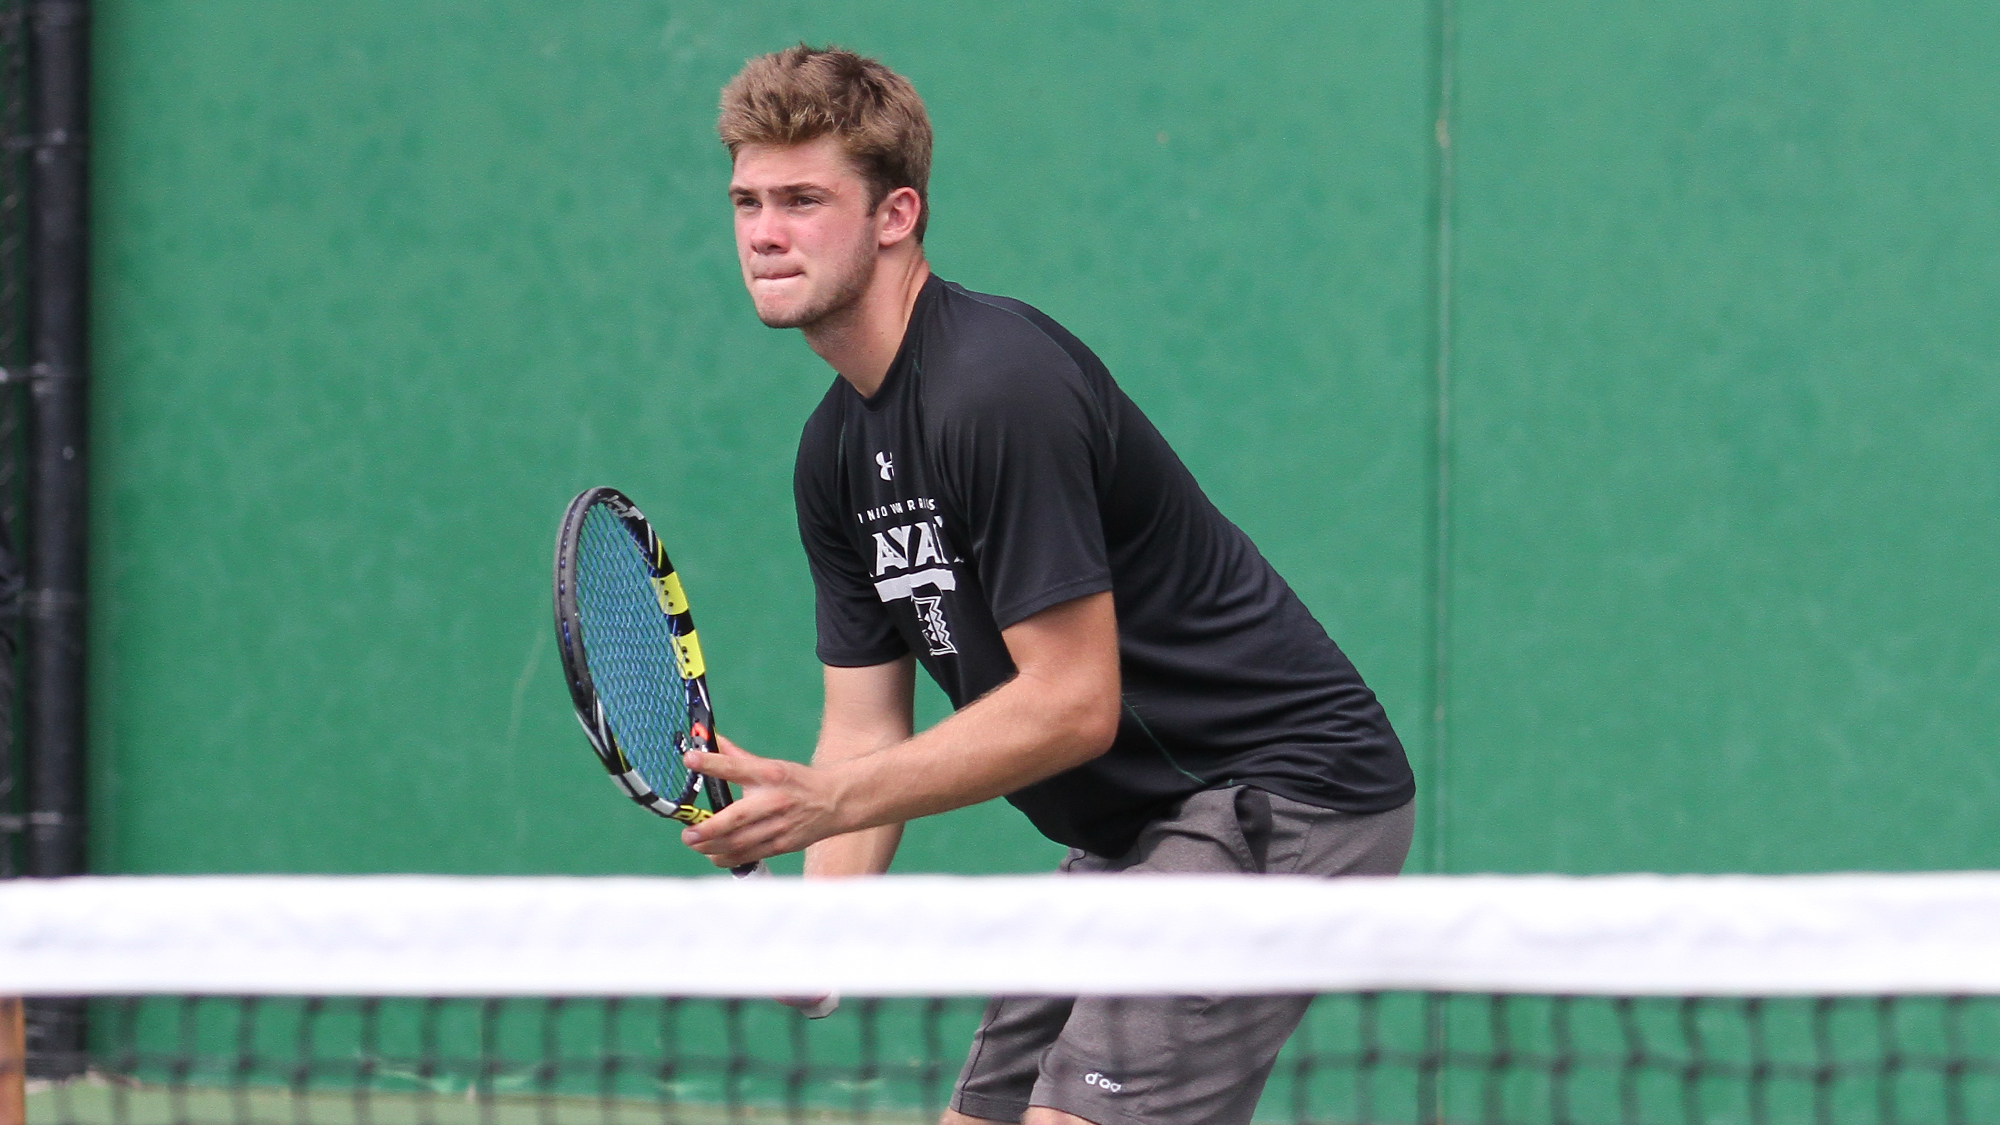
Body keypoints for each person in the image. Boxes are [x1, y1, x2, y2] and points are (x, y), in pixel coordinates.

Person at [680, 44, 1417, 1125]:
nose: (763, 231)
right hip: (1140, 831)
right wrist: (821, 924)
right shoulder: (832, 454)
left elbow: (1072, 704)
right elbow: (864, 730)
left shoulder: (996, 386)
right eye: (747, 199)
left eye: (802, 198)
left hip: (1276, 795)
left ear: (895, 215)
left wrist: (826, 803)